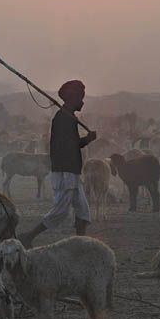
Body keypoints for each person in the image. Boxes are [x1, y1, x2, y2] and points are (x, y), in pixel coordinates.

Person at [19, 80, 97, 248]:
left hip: (71, 170)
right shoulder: (63, 118)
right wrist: (87, 140)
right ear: (73, 99)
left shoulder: (67, 117)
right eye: (81, 98)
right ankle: (28, 236)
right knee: (60, 211)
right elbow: (69, 146)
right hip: (65, 171)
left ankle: (80, 244)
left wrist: (86, 140)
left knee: (83, 211)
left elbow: (71, 144)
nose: (83, 102)